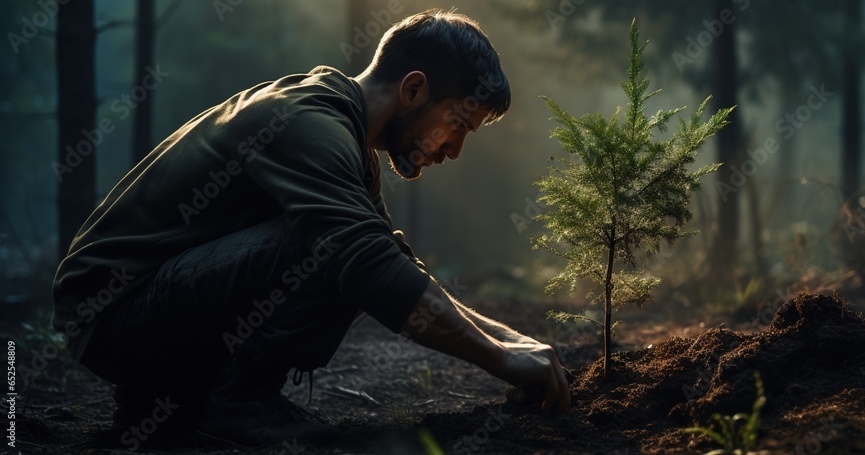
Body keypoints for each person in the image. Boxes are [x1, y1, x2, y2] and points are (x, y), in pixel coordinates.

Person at [51, 9, 571, 448]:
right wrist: (501, 361)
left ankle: (174, 400)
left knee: (355, 240)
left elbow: (395, 260)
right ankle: (241, 405)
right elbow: (368, 263)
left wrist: (511, 339)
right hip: (114, 319)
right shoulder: (307, 124)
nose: (454, 149)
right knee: (335, 246)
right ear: (414, 89)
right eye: (458, 124)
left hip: (140, 310)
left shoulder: (344, 135)